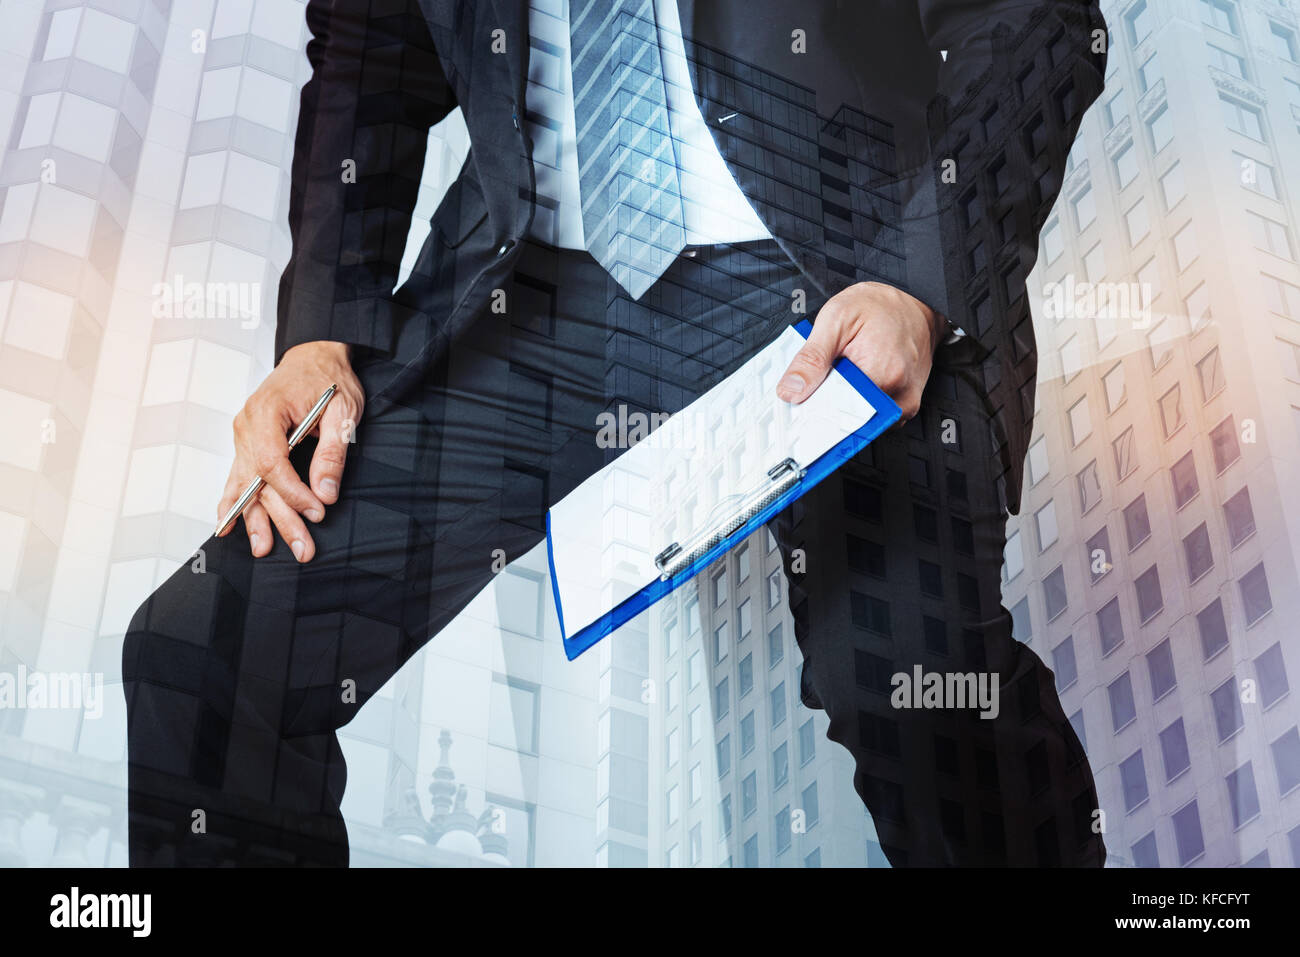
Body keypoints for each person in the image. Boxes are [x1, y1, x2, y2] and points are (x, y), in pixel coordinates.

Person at [123, 0, 1110, 866]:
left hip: (839, 273)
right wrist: (320, 332)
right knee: (209, 650)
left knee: (916, 690)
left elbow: (1031, 20)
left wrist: (917, 281)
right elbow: (371, 47)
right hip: (529, 296)